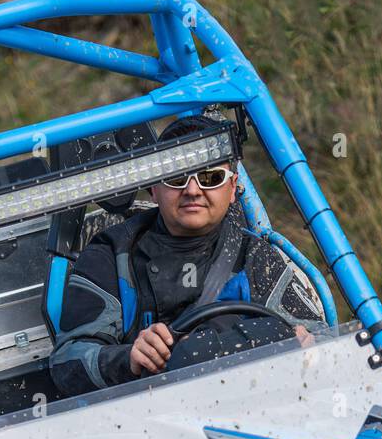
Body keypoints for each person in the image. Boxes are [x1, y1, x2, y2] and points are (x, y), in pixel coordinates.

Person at [48, 116, 327, 398]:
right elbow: (67, 362)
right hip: (145, 426)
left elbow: (327, 345)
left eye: (210, 177)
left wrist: (307, 348)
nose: (192, 191)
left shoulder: (256, 258)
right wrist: (128, 359)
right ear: (154, 188)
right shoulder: (111, 256)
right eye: (177, 176)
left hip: (253, 412)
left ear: (232, 189)